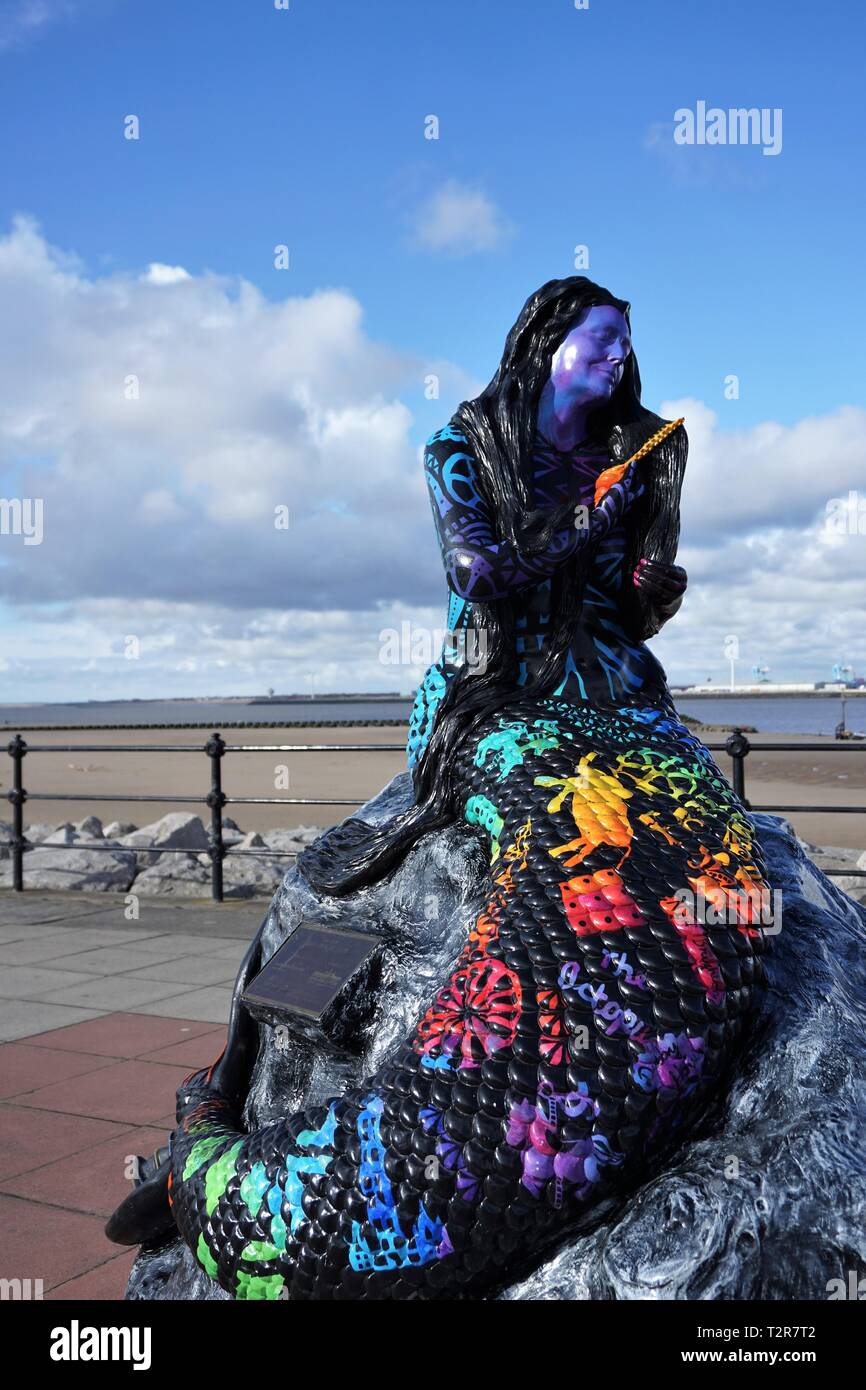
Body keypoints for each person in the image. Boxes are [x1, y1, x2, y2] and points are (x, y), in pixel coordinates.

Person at [107, 277, 770, 1300]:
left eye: (620, 349)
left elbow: (634, 605)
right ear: (542, 346)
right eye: (592, 344)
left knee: (700, 890)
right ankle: (212, 1137)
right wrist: (587, 515)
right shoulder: (461, 446)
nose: (609, 363)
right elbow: (478, 573)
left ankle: (204, 1148)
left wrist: (649, 578)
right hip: (493, 692)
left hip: (612, 700)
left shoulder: (640, 449)